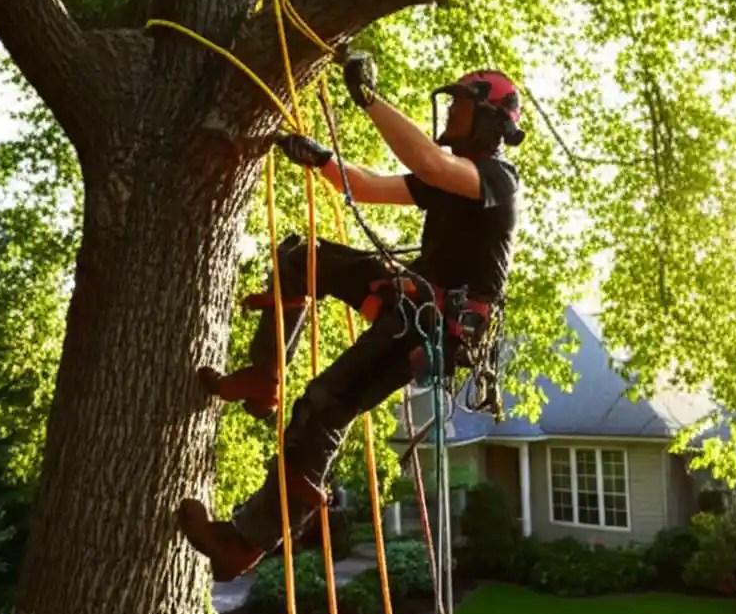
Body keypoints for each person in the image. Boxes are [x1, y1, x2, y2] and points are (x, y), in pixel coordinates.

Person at [178, 54, 525, 582]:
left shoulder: (497, 178)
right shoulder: (451, 180)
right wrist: (319, 160)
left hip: (435, 327)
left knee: (323, 408)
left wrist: (368, 100)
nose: (451, 110)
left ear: (489, 120)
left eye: (461, 103)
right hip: (412, 299)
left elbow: (430, 164)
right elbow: (363, 186)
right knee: (302, 258)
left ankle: (243, 541)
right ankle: (263, 375)